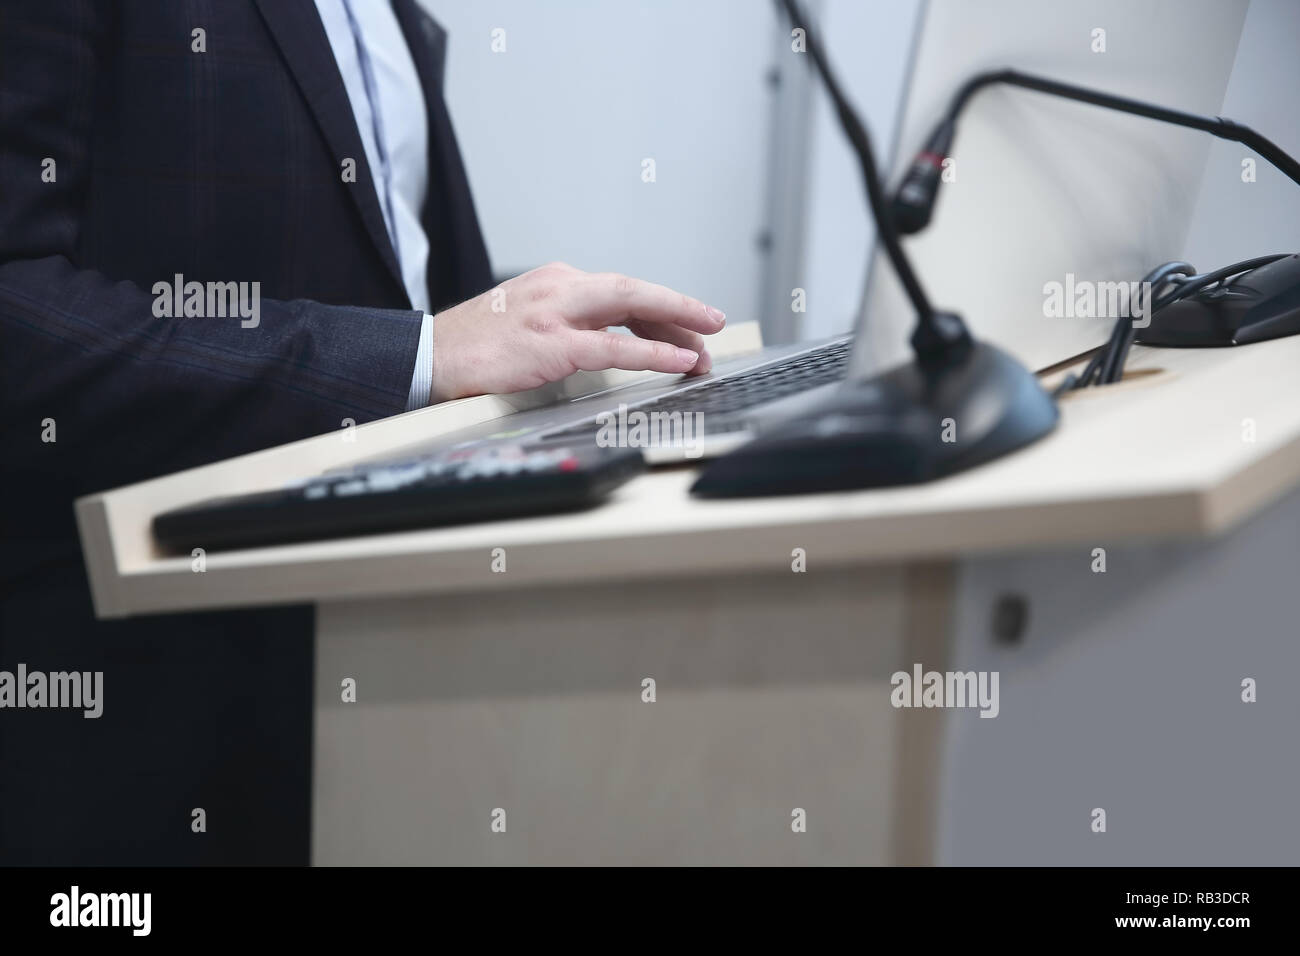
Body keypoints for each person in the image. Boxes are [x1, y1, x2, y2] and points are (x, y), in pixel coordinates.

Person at [0, 0, 723, 864]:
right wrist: (421, 351)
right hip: (130, 713)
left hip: (382, 694)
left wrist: (558, 347)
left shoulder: (395, 18)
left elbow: (401, 288)